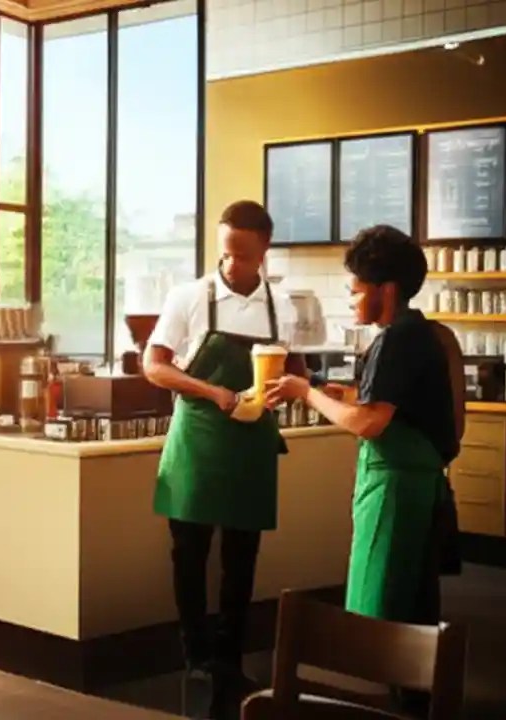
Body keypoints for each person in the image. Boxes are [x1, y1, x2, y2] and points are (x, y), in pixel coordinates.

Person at [143, 200, 303, 695]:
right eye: (225, 253)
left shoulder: (283, 307)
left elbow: (295, 371)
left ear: (265, 250)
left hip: (252, 440)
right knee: (188, 554)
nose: (232, 264)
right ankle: (196, 659)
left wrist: (290, 390)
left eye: (243, 255)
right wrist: (213, 392)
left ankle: (230, 661)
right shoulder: (189, 296)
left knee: (242, 557)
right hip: (198, 436)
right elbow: (153, 365)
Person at [265, 225, 458, 629]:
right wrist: (327, 389)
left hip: (395, 492)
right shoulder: (416, 332)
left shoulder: (395, 340)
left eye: (355, 291)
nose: (350, 300)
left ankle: (374, 673)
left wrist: (305, 392)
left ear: (385, 290)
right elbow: (389, 404)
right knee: (412, 611)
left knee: (378, 610)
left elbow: (368, 422)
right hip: (415, 487)